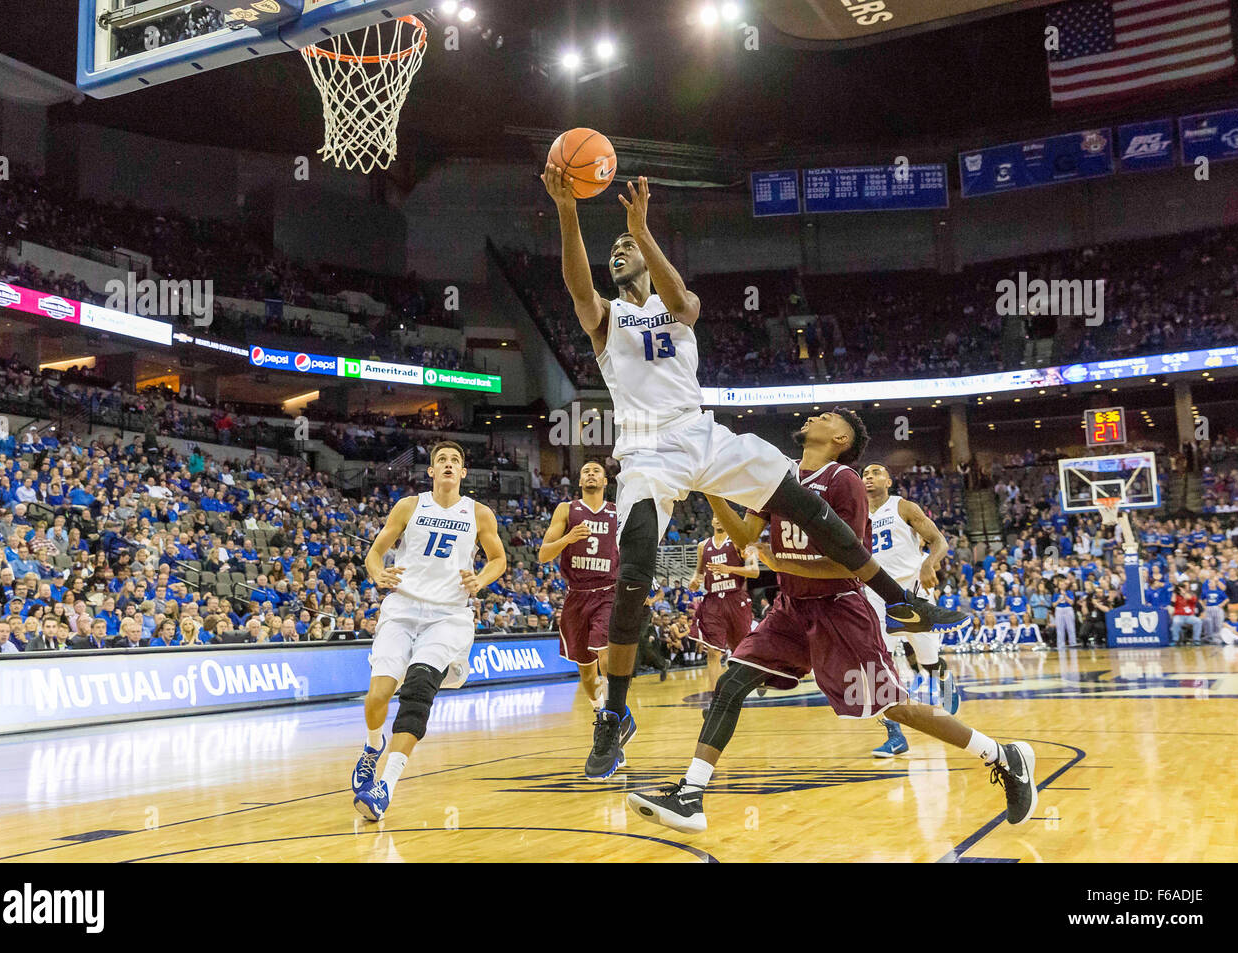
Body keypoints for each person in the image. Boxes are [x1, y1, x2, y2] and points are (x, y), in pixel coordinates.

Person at [541, 165, 966, 779]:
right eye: (615, 251)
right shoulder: (607, 319)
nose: (618, 254)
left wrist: (642, 228)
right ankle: (614, 717)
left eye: (625, 247)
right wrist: (569, 211)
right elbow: (579, 289)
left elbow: (683, 299)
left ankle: (901, 603)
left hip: (701, 431)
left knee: (809, 506)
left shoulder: (674, 307)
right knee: (633, 568)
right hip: (645, 450)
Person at [627, 410, 1037, 834]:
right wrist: (712, 490)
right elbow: (746, 538)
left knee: (893, 705)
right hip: (791, 609)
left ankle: (1002, 756)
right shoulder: (777, 476)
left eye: (824, 417)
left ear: (840, 437)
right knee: (732, 682)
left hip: (839, 610)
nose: (813, 417)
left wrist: (777, 560)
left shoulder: (844, 481)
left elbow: (850, 566)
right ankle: (691, 795)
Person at [350, 442, 507, 821]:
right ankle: (373, 747)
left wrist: (480, 580)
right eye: (442, 461)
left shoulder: (480, 514)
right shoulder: (409, 506)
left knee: (418, 692)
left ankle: (385, 786)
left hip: (448, 616)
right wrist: (378, 573)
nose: (449, 465)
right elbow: (374, 552)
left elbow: (499, 559)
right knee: (378, 696)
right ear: (432, 472)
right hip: (402, 609)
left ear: (464, 472)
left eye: (456, 460)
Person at [860, 461, 962, 759]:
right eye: (864, 473)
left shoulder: (903, 507)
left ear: (888, 481)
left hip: (914, 592)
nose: (869, 477)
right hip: (876, 596)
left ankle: (942, 681)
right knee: (875, 667)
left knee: (928, 662)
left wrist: (930, 563)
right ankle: (895, 735)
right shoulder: (855, 515)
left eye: (876, 472)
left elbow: (939, 541)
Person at [537, 462, 618, 712]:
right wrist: (568, 538)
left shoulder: (618, 511)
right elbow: (543, 555)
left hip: (608, 591)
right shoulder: (566, 510)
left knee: (604, 650)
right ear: (580, 482)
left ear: (605, 482)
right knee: (585, 668)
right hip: (577, 595)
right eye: (586, 471)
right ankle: (598, 706)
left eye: (596, 471)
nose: (591, 474)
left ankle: (614, 711)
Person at [688, 515, 758, 685]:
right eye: (715, 517)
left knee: (740, 650)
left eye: (722, 516)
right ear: (711, 521)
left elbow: (754, 571)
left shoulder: (741, 541)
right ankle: (715, 700)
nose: (719, 519)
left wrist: (729, 569)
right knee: (713, 651)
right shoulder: (702, 546)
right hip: (712, 601)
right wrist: (694, 581)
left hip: (735, 597)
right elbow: (699, 572)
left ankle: (756, 679)